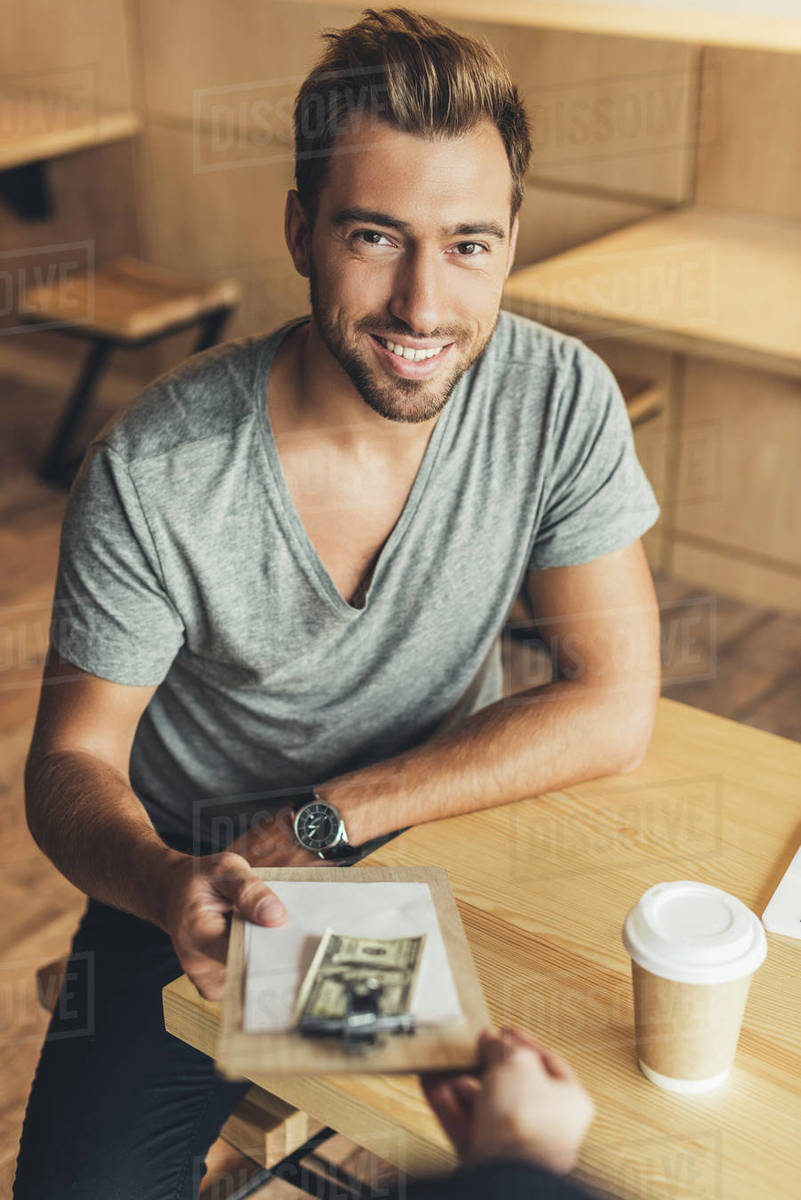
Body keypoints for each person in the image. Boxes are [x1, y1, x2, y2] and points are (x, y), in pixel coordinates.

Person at [15, 6, 661, 1197]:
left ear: (513, 241)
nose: (424, 305)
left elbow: (616, 703)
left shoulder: (560, 395)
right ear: (301, 229)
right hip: (205, 884)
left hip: (456, 828)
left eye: (469, 244)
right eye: (378, 236)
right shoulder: (159, 465)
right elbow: (65, 770)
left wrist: (329, 818)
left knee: (664, 1139)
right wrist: (167, 882)